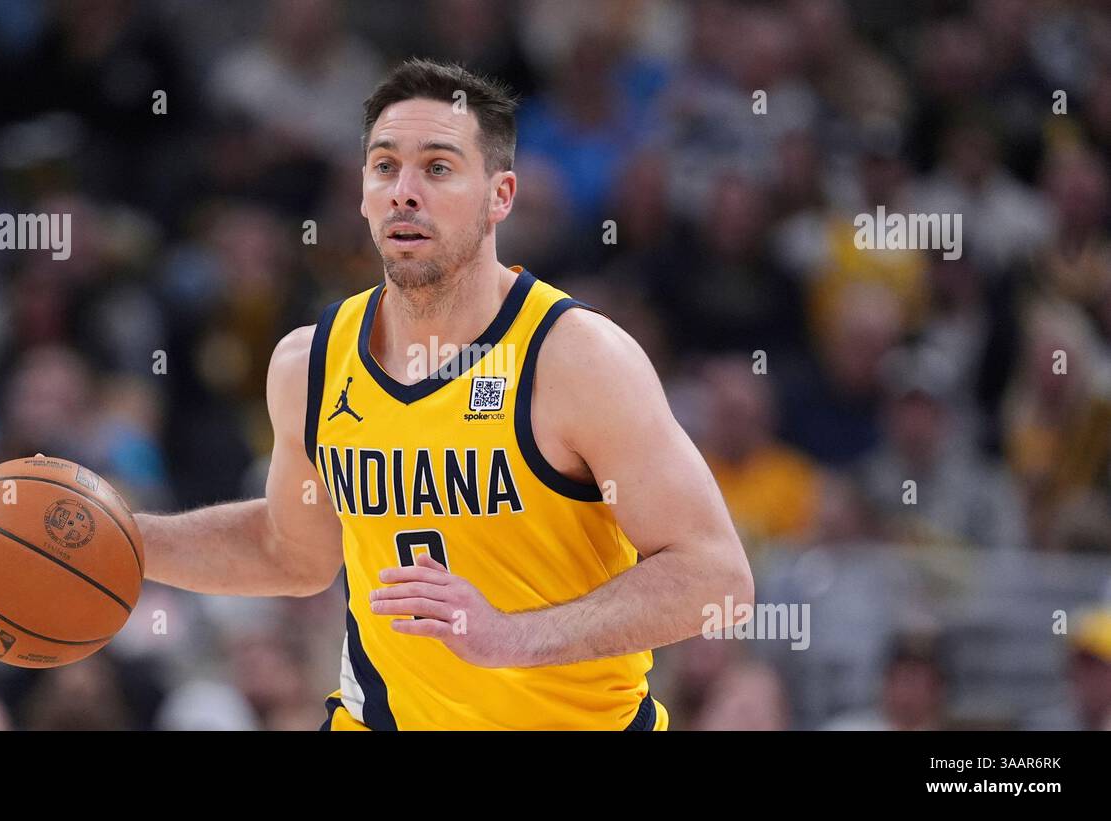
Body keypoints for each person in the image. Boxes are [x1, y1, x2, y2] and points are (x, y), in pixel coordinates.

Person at [135, 59, 753, 730]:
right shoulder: (307, 363)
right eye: (384, 167)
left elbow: (715, 576)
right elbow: (292, 552)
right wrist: (124, 539)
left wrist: (510, 636)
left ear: (501, 195)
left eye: (437, 168)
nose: (404, 191)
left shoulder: (576, 359)